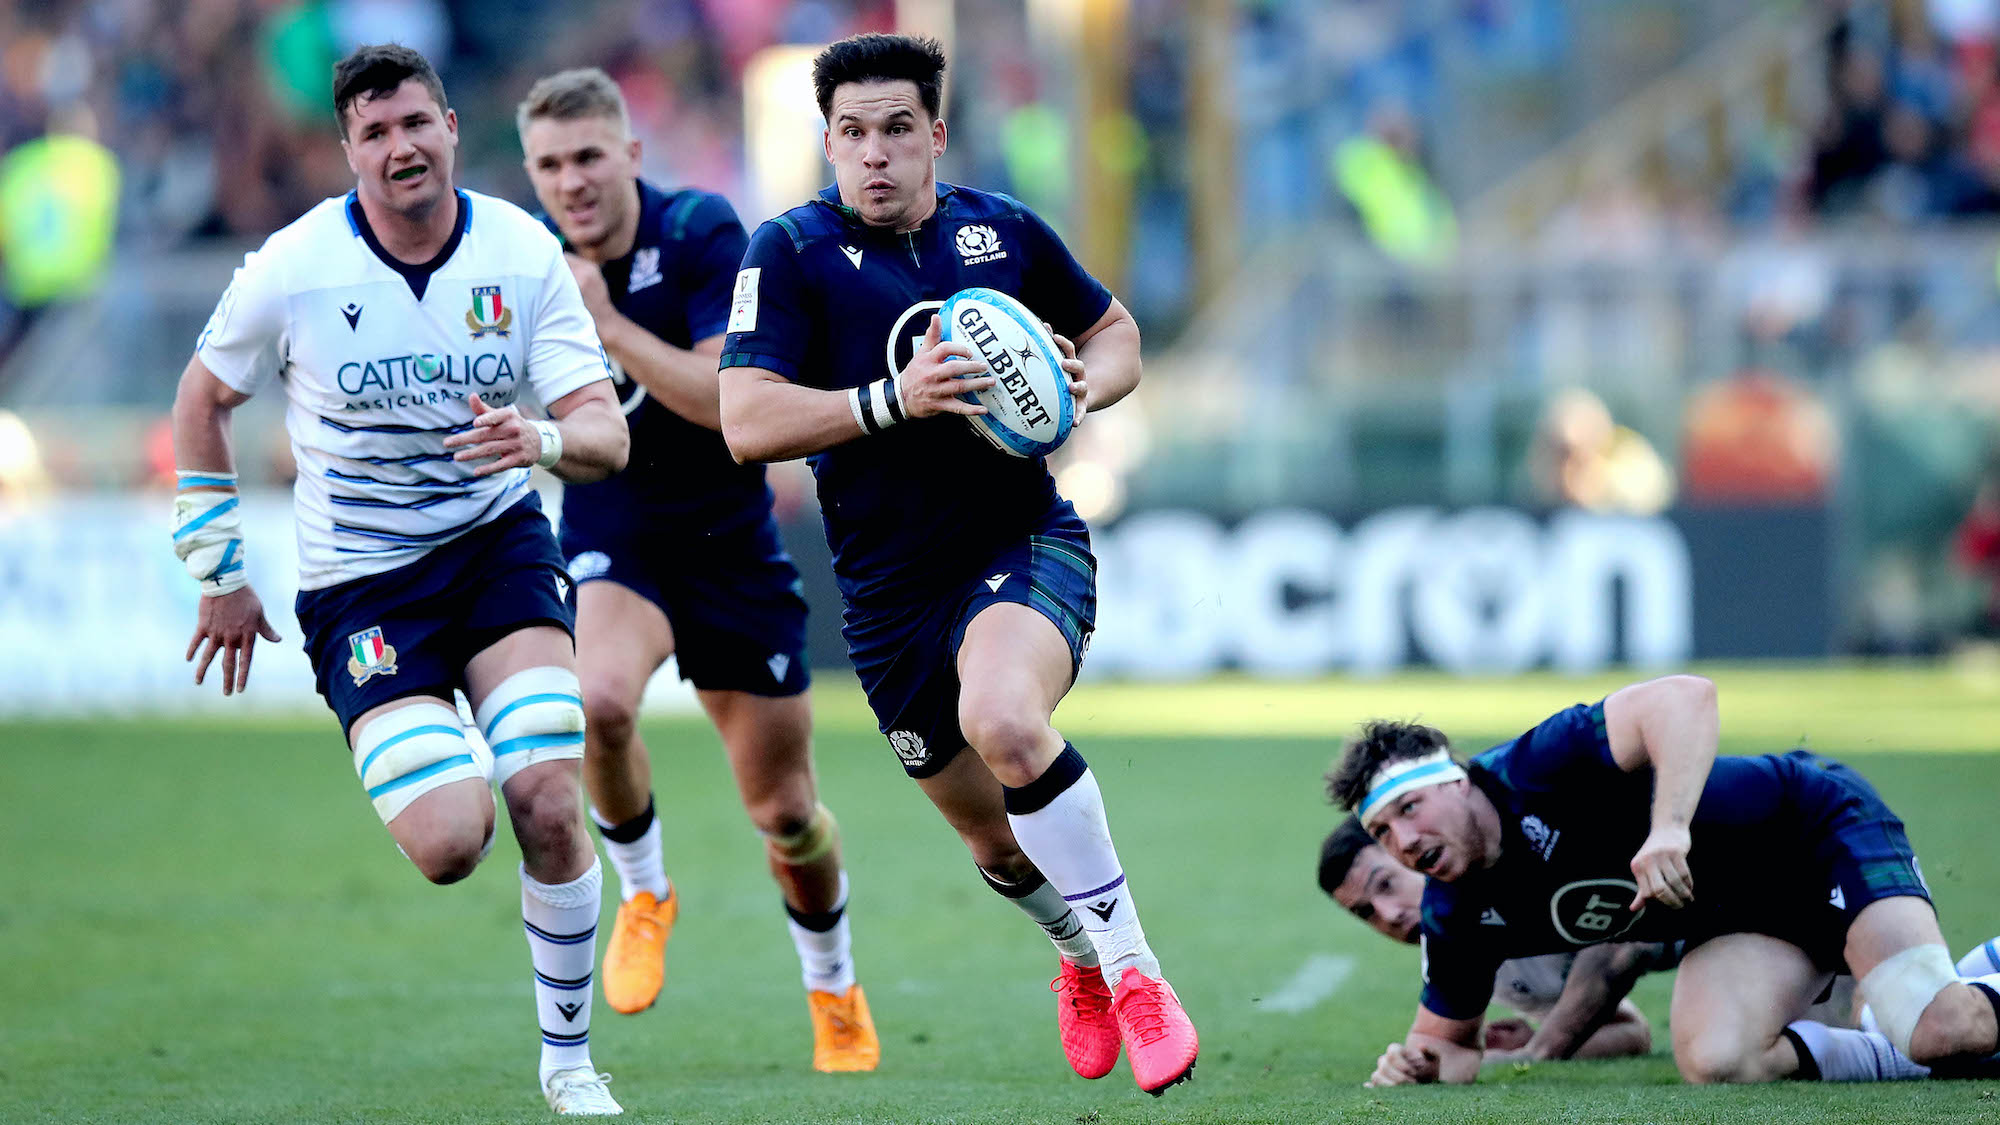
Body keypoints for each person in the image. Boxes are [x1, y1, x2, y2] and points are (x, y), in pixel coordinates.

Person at [716, 33, 1198, 1096]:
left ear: (934, 134)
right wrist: (892, 399)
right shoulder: (788, 252)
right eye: (851, 135)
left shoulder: (1000, 231)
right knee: (997, 846)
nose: (874, 155)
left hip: (1018, 545)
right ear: (828, 143)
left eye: (896, 130)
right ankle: (1076, 959)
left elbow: (1112, 331)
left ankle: (1135, 974)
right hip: (887, 600)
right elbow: (744, 420)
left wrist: (1080, 383)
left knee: (1007, 722)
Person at [170, 44, 630, 1116]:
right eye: (374, 133)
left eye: (415, 123)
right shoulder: (294, 265)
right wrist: (219, 572)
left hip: (496, 550)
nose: (399, 147)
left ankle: (569, 1063)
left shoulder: (520, 252)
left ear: (451, 129)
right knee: (449, 843)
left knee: (550, 801)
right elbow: (201, 401)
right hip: (363, 588)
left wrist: (540, 440)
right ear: (348, 153)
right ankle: (437, 744)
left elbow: (604, 435)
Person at [515, 66, 878, 1071]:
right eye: (549, 164)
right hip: (615, 532)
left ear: (630, 154)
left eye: (588, 155)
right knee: (596, 704)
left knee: (787, 814)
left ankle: (833, 984)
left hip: (729, 546)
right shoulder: (522, 261)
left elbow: (729, 407)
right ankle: (642, 891)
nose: (571, 181)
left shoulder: (700, 234)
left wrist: (611, 327)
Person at [1324, 674, 2000, 1088]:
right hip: (1746, 914)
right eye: (1383, 832)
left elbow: (1686, 696)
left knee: (1943, 1028)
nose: (1404, 841)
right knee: (1719, 1058)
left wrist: (1669, 825)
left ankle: (1950, 999)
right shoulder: (1455, 910)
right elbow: (1448, 1045)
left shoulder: (1535, 765)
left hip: (1816, 833)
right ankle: (1903, 1034)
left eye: (1408, 810)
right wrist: (1417, 1065)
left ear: (1455, 779)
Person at [1318, 816, 1665, 1064]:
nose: (1388, 914)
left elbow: (1628, 941)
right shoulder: (1471, 965)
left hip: (1706, 887)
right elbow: (1631, 1033)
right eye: (1366, 912)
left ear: (1406, 851)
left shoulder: (1505, 866)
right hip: (1694, 940)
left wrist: (1536, 1052)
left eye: (1386, 884)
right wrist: (1531, 1044)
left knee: (1712, 1060)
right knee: (1712, 1057)